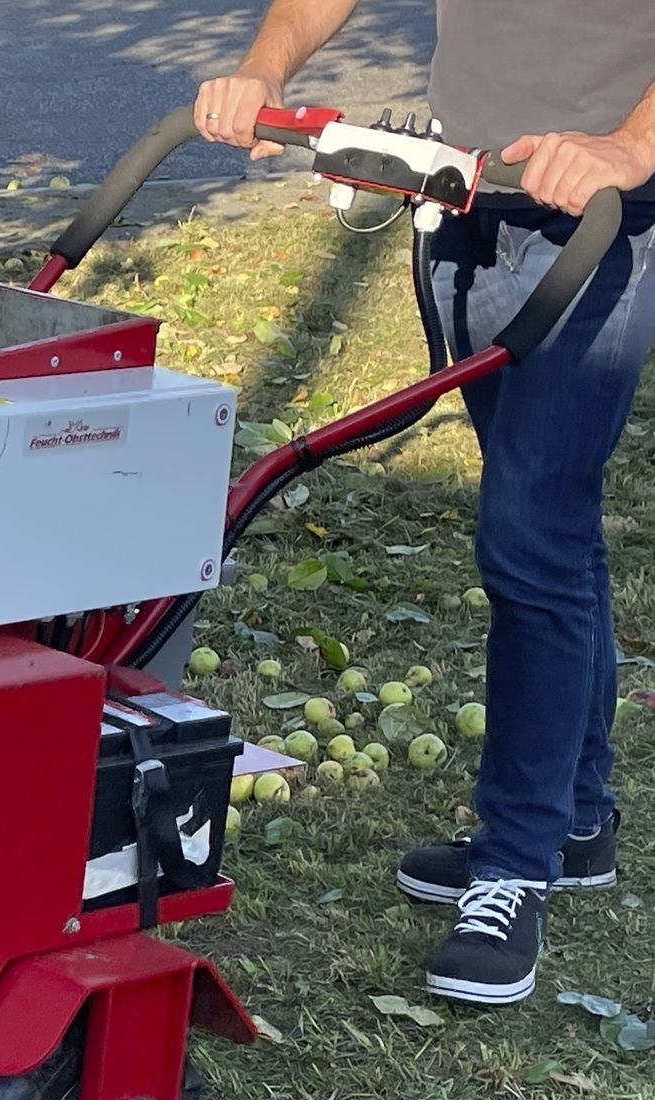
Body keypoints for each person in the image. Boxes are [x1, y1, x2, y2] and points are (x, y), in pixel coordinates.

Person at [197, 2, 655, 1006]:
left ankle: (514, 863)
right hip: (469, 204)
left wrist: (629, 144)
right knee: (553, 529)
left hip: (603, 222)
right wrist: (263, 70)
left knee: (530, 538)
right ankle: (575, 824)